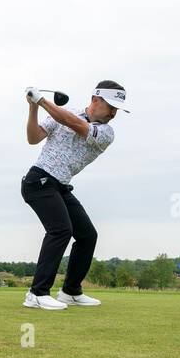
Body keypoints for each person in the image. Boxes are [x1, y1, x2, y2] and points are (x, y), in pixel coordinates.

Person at [20, 81, 129, 310]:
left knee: (87, 235)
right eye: (111, 106)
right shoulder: (66, 112)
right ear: (96, 99)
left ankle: (70, 291)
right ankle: (37, 293)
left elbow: (73, 123)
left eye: (117, 109)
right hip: (38, 181)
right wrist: (33, 107)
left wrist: (41, 100)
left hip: (59, 185)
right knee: (61, 230)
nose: (113, 113)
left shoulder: (106, 132)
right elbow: (33, 137)